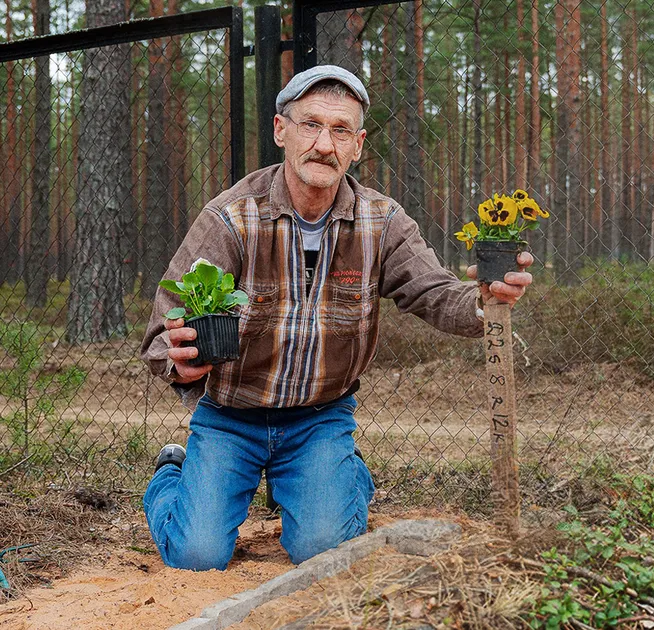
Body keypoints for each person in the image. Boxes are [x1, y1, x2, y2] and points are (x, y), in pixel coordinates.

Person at [138, 65, 534, 571]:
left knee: (321, 552)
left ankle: (338, 471)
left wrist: (487, 299)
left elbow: (436, 294)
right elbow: (160, 333)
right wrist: (181, 362)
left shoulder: (383, 221)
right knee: (195, 554)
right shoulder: (230, 218)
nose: (325, 144)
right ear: (282, 131)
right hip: (230, 418)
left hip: (319, 417)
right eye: (311, 125)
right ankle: (173, 472)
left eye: (341, 130)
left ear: (358, 144)